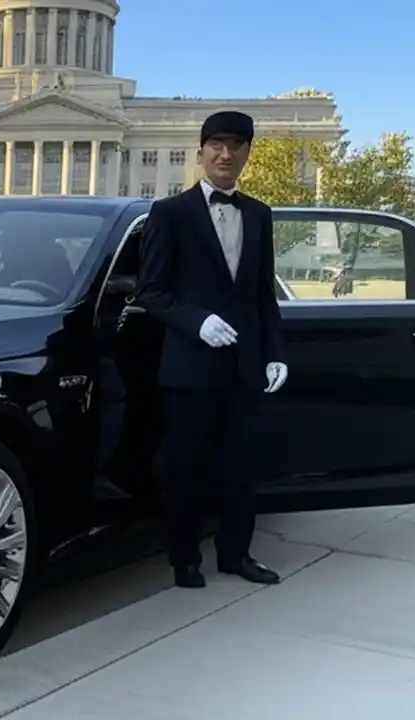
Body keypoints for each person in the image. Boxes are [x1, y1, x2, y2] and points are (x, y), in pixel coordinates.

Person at [133, 110, 289, 589]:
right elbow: (151, 291)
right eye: (216, 145)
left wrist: (275, 352)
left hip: (245, 367)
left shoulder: (259, 214)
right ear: (201, 152)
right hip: (189, 366)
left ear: (247, 153)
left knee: (242, 468)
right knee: (185, 468)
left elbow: (263, 294)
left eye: (236, 145)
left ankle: (236, 554)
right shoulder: (170, 213)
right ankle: (184, 559)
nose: (226, 154)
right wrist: (196, 322)